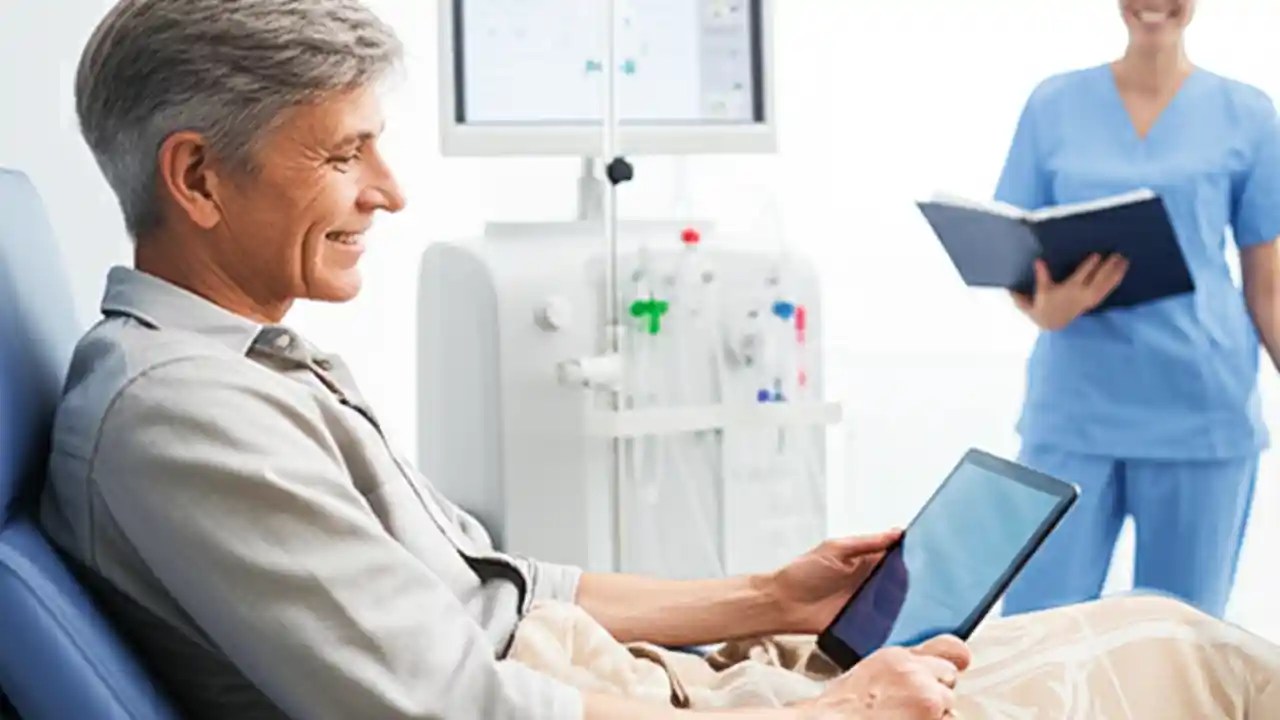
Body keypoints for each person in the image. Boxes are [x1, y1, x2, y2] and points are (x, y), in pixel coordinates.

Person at [38, 1, 1280, 719]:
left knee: (1145, 615)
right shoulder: (180, 417)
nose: (391, 190)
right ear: (196, 176)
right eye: (343, 155)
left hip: (627, 680)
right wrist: (832, 710)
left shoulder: (254, 370)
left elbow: (490, 583)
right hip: (621, 705)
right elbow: (445, 709)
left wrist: (764, 600)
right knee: (1198, 660)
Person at [995, 0, 1280, 618]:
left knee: (1181, 644)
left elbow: (1269, 287)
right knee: (1037, 634)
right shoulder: (1054, 105)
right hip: (1074, 412)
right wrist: (1045, 308)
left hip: (1202, 411)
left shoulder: (1250, 115)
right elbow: (1018, 254)